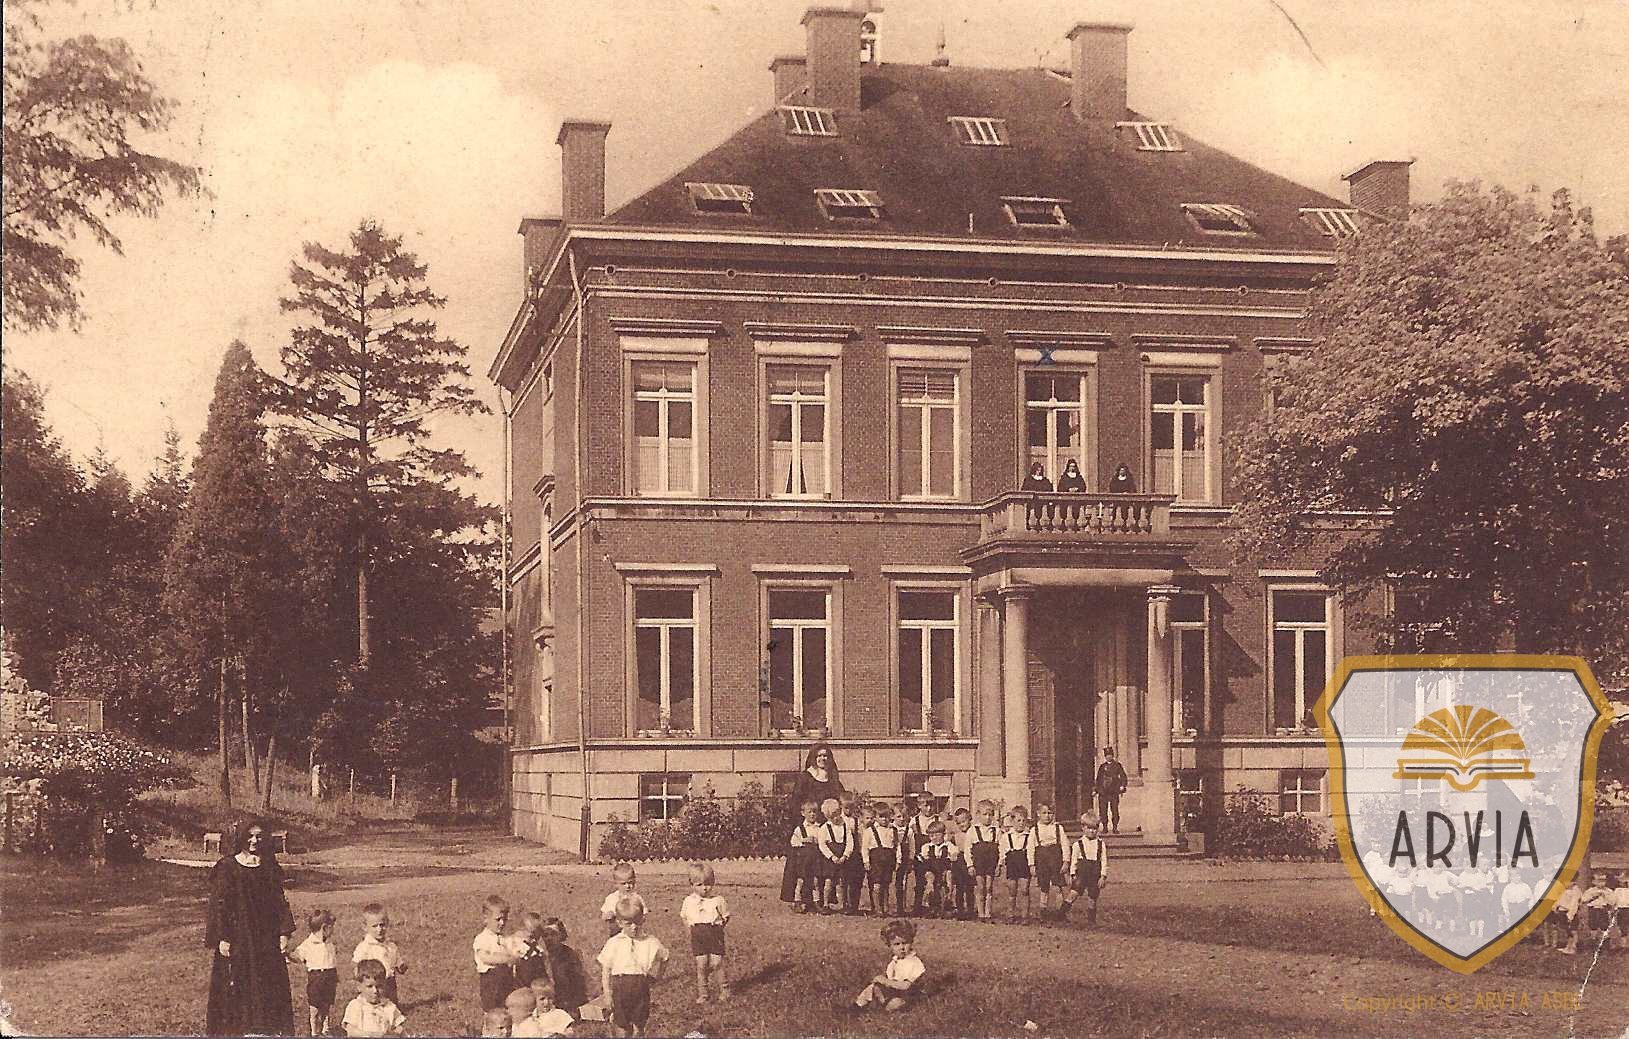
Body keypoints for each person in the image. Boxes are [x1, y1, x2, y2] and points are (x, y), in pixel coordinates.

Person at [204, 817, 296, 1037]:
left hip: (266, 937)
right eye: (250, 836)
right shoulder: (228, 866)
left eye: (259, 837)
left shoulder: (269, 866)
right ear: (242, 837)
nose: (254, 841)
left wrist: (284, 932)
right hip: (238, 937)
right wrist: (222, 937)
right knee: (237, 984)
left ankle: (266, 1030)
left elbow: (279, 900)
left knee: (267, 983)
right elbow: (220, 905)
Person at [779, 744, 845, 907]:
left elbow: (840, 799)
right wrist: (803, 826)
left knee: (823, 864)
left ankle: (821, 899)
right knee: (806, 864)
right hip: (809, 825)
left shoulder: (832, 778)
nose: (823, 759)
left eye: (826, 756)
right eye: (819, 756)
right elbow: (796, 802)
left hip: (826, 827)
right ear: (813, 758)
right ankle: (802, 899)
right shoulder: (806, 777)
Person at [597, 895, 670, 1038]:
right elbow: (606, 969)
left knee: (639, 1024)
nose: (634, 927)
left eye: (637, 922)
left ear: (643, 919)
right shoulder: (614, 942)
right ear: (619, 923)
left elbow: (665, 957)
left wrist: (657, 977)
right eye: (628, 923)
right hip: (620, 986)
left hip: (640, 986)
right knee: (622, 1026)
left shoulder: (650, 941)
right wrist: (607, 993)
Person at [681, 862, 731, 1004]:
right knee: (701, 964)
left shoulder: (717, 900)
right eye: (700, 885)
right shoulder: (688, 901)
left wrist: (719, 927)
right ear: (692, 885)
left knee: (717, 963)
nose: (705, 888)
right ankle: (703, 993)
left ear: (713, 882)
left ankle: (724, 989)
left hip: (714, 933)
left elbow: (726, 916)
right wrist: (690, 931)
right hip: (698, 934)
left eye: (708, 883)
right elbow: (684, 916)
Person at [849, 919, 924, 1013]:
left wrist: (885, 981)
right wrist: (881, 983)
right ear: (890, 946)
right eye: (896, 944)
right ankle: (857, 1007)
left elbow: (906, 986)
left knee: (897, 1003)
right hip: (894, 993)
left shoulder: (914, 963)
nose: (902, 947)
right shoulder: (894, 962)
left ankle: (883, 1010)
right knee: (873, 987)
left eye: (905, 943)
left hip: (907, 997)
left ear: (911, 942)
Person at [289, 908, 339, 1037]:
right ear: (324, 928)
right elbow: (297, 956)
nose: (333, 930)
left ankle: (325, 1028)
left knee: (326, 1004)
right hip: (316, 978)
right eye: (331, 927)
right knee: (315, 1006)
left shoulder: (329, 942)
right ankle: (314, 1031)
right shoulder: (308, 944)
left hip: (330, 976)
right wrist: (288, 955)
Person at [352, 902, 409, 1004]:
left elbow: (396, 959)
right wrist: (360, 981)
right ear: (365, 927)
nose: (379, 929)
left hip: (390, 980)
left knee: (391, 1003)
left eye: (382, 925)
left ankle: (392, 1015)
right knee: (374, 1003)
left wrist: (401, 966)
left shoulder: (391, 945)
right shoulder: (364, 947)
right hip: (374, 982)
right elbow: (357, 965)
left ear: (387, 923)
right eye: (374, 926)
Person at [1059, 814, 1109, 925]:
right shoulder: (1078, 844)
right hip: (1082, 872)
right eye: (1089, 828)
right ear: (1083, 828)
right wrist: (1072, 874)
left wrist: (1103, 876)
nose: (1092, 831)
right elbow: (1074, 861)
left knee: (1093, 896)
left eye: (1095, 828)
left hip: (1095, 872)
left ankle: (1091, 920)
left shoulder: (1101, 844)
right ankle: (1061, 914)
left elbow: (1104, 860)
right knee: (1073, 894)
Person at [474, 894, 519, 1014]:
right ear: (485, 919)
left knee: (507, 1006)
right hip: (491, 980)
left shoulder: (506, 938)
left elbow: (515, 951)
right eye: (498, 919)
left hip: (507, 978)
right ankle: (489, 1029)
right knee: (492, 1009)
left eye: (504, 919)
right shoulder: (482, 938)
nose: (502, 923)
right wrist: (505, 959)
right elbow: (484, 957)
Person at [539, 919, 589, 1022]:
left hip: (566, 1001)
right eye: (545, 935)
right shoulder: (540, 955)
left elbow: (578, 984)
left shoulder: (569, 955)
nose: (549, 938)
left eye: (553, 934)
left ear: (561, 935)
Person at [342, 959, 406, 1037]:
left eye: (379, 986)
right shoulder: (356, 1005)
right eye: (369, 986)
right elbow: (351, 1032)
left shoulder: (389, 1006)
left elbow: (400, 1028)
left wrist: (394, 1033)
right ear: (359, 987)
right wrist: (372, 1035)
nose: (375, 991)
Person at [816, 796, 856, 913]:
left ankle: (843, 905)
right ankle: (825, 904)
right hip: (830, 859)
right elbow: (822, 845)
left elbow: (850, 842)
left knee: (842, 882)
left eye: (838, 813)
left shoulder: (845, 826)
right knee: (829, 881)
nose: (837, 817)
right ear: (827, 816)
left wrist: (845, 855)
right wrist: (831, 856)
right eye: (833, 815)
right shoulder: (824, 828)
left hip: (843, 858)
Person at [862, 802, 902, 917]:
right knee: (876, 885)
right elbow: (865, 847)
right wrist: (866, 861)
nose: (884, 819)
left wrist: (898, 860)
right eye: (881, 816)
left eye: (886, 816)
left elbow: (897, 846)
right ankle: (877, 908)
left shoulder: (892, 830)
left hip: (888, 860)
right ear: (875, 817)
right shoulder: (870, 831)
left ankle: (885, 907)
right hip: (876, 861)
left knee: (886, 884)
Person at [1029, 803, 1068, 920]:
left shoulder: (1058, 828)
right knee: (1044, 886)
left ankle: (1059, 912)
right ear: (1038, 814)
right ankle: (1043, 910)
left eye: (1050, 813)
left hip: (1056, 858)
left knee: (1058, 886)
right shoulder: (1034, 829)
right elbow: (1030, 848)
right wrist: (1031, 864)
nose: (1047, 816)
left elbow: (1065, 845)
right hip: (1042, 859)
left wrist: (1066, 861)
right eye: (1044, 813)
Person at [787, 800, 824, 914]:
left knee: (815, 880)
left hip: (816, 859)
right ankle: (797, 901)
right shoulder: (800, 829)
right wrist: (804, 840)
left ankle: (816, 902)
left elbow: (824, 841)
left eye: (815, 812)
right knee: (801, 880)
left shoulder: (820, 828)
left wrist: (817, 841)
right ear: (803, 813)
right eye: (810, 812)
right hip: (803, 859)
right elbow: (793, 842)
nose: (813, 814)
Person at [966, 800, 1001, 922]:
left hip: (991, 862)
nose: (988, 817)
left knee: (989, 887)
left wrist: (999, 865)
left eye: (990, 814)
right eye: (985, 814)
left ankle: (988, 912)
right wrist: (970, 865)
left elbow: (1001, 849)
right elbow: (967, 850)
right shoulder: (973, 831)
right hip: (978, 863)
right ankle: (980, 913)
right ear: (978, 814)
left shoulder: (996, 831)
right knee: (980, 887)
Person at [1000, 807, 1033, 922]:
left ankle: (1025, 915)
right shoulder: (1006, 836)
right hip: (1012, 865)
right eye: (1018, 821)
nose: (1021, 823)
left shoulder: (1029, 836)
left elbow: (1031, 852)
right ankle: (1010, 914)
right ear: (1012, 821)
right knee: (1012, 891)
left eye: (1024, 821)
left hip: (1024, 864)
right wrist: (1001, 864)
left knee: (1024, 890)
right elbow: (1002, 852)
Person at [602, 863, 648, 936]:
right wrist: (609, 915)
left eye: (630, 883)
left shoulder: (637, 898)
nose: (628, 886)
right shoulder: (612, 898)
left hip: (634, 931)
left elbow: (644, 914)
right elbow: (604, 916)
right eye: (623, 883)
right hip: (616, 932)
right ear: (616, 884)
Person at [510, 911, 550, 989]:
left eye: (538, 933)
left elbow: (545, 963)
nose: (534, 937)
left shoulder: (539, 948)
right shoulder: (516, 944)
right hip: (522, 981)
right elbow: (513, 963)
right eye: (531, 933)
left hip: (539, 980)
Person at [1095, 748, 1128, 833]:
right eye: (1106, 755)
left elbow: (1123, 776)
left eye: (1110, 755)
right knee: (1103, 810)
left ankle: (1115, 827)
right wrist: (1096, 790)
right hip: (1103, 792)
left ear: (1112, 756)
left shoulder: (1117, 765)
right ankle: (1105, 827)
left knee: (1114, 810)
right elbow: (1098, 779)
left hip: (1113, 791)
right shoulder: (1102, 767)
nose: (1108, 757)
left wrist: (1122, 786)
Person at [1022, 461, 1054, 528]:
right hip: (1032, 504)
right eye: (1037, 470)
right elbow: (1024, 491)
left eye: (1040, 470)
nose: (1039, 472)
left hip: (1043, 505)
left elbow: (1050, 490)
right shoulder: (1028, 480)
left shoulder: (1045, 481)